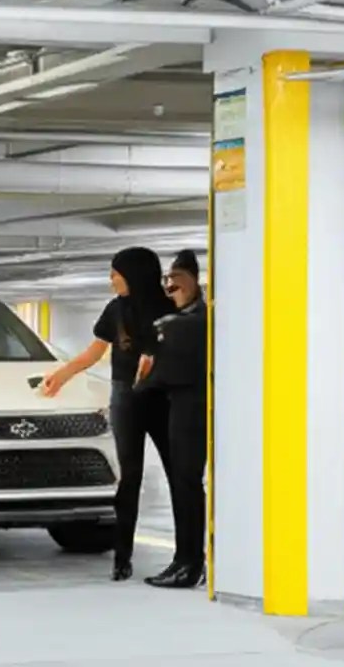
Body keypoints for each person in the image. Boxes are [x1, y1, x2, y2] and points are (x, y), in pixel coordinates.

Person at [40, 246, 174, 582]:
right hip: (125, 396)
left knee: (180, 476)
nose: (111, 279)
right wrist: (63, 373)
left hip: (164, 396)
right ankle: (122, 558)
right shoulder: (115, 310)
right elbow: (94, 352)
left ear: (135, 274)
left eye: (116, 273)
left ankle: (189, 555)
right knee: (129, 477)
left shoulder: (169, 308)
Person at [138, 248, 209, 589]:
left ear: (195, 281)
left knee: (186, 486)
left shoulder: (186, 324)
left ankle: (189, 563)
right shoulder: (189, 319)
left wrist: (141, 383)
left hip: (190, 410)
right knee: (186, 487)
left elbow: (158, 374)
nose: (169, 287)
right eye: (167, 280)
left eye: (176, 280)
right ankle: (189, 560)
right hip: (186, 408)